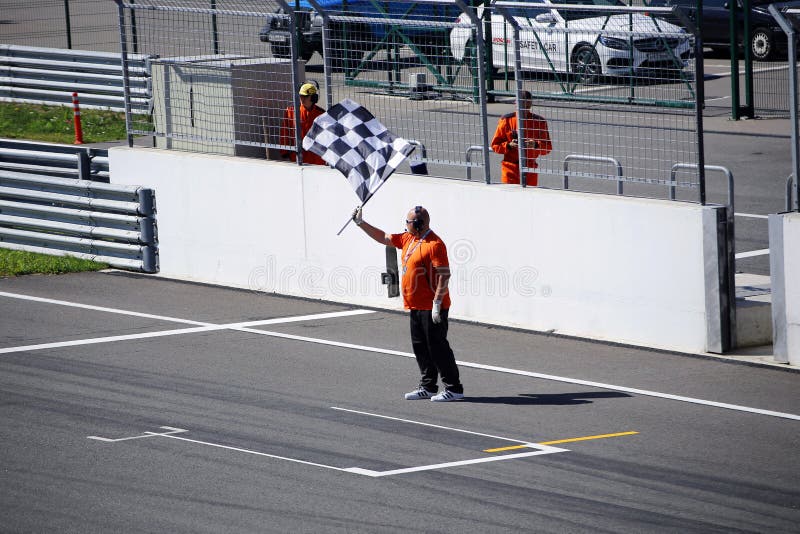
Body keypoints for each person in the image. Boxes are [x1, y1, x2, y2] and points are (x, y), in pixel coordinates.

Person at [351, 205, 464, 402]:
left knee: (438, 348)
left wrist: (437, 302)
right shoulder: (408, 238)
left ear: (418, 224)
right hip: (415, 305)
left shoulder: (434, 244)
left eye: (408, 221)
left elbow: (444, 275)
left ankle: (454, 388)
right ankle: (428, 386)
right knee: (420, 348)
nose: (405, 224)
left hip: (431, 307)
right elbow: (384, 237)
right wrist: (361, 223)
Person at [491, 90, 552, 186]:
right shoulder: (506, 120)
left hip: (530, 168)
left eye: (527, 106)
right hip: (510, 168)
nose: (525, 109)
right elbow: (495, 146)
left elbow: (547, 148)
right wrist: (509, 145)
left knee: (530, 198)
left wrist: (535, 145)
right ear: (516, 104)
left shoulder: (540, 122)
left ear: (531, 104)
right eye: (523, 106)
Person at [279, 82, 326, 165]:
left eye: (305, 96)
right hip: (297, 157)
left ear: (313, 98)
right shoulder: (291, 111)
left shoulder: (322, 114)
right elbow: (285, 133)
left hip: (316, 159)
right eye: (301, 96)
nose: (302, 99)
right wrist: (285, 153)